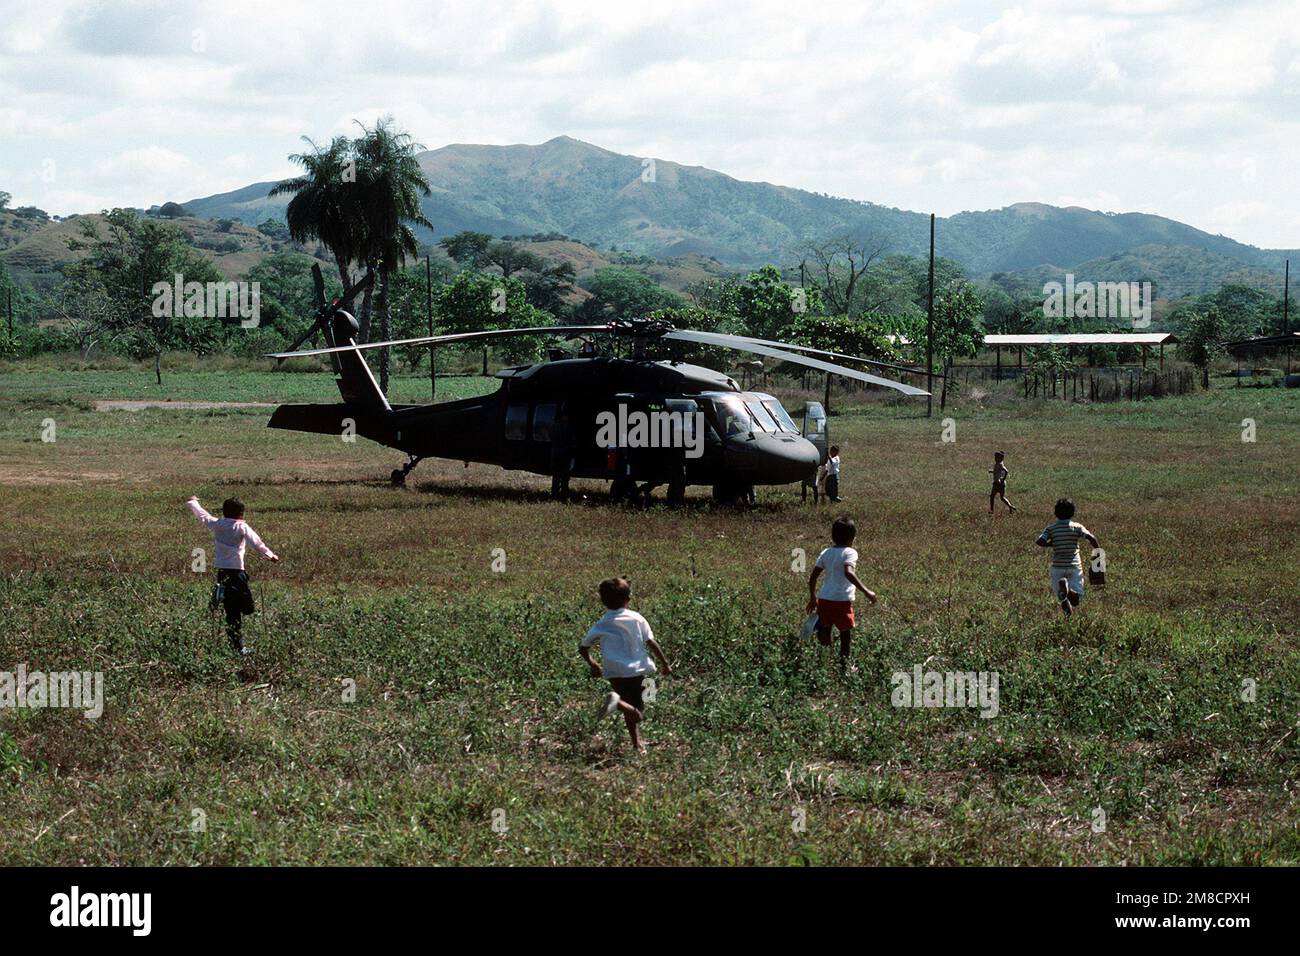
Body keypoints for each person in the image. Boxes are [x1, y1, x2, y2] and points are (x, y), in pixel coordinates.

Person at [579, 576, 672, 754]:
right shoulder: (637, 618)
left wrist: (593, 664)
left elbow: (583, 647)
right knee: (637, 711)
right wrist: (665, 664)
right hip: (636, 671)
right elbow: (651, 642)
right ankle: (618, 705)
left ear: (603, 601)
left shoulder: (603, 622)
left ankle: (637, 744)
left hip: (614, 672)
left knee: (629, 706)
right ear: (628, 599)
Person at [186, 495, 278, 655]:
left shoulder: (217, 524)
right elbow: (256, 543)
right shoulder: (242, 527)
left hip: (222, 573)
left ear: (224, 511)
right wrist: (269, 555)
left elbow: (203, 516)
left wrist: (194, 503)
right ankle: (238, 644)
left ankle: (237, 646)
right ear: (241, 514)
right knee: (248, 607)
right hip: (237, 573)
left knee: (231, 612)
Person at [806, 516, 877, 673]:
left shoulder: (826, 552)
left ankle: (821, 632)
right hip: (842, 601)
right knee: (845, 634)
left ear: (832, 536)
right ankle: (844, 667)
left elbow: (812, 577)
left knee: (827, 628)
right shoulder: (850, 552)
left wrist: (812, 597)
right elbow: (849, 573)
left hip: (824, 598)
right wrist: (867, 592)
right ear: (852, 538)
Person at [1036, 498, 1099, 618]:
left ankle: (1068, 618)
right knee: (1076, 599)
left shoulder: (1051, 528)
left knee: (1062, 598)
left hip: (1057, 567)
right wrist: (1098, 555)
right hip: (1074, 567)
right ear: (1073, 513)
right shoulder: (1077, 527)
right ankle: (1068, 591)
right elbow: (1091, 538)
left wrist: (1051, 544)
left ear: (1055, 513)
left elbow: (1039, 541)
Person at [989, 450, 1016, 515]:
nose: (995, 458)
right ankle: (1010, 507)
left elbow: (1006, 471)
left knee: (992, 496)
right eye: (995, 457)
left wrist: (1002, 479)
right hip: (999, 483)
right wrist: (992, 471)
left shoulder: (1000, 464)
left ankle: (992, 511)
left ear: (1001, 458)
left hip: (998, 484)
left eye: (996, 457)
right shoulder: (998, 464)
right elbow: (998, 472)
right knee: (1001, 497)